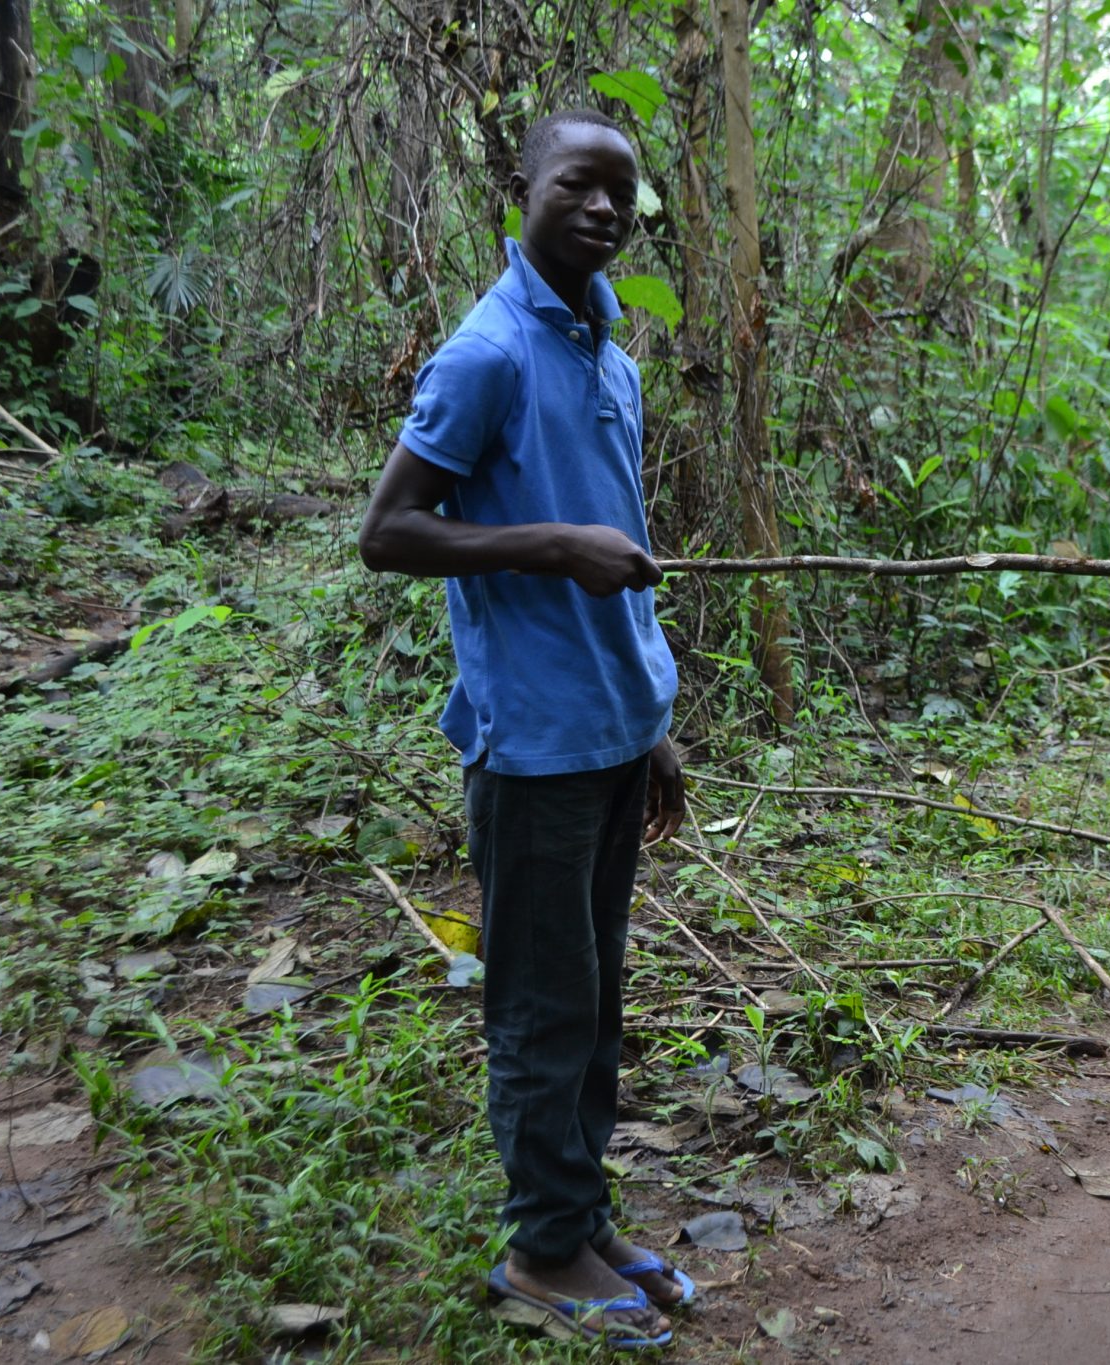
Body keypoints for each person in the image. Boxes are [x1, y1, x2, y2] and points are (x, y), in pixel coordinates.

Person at [358, 108, 694, 1350]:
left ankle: (578, 1217)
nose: (603, 209)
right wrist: (553, 547)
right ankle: (539, 1253)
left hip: (608, 734)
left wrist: (648, 722)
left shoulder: (611, 353)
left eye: (622, 193)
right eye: (576, 186)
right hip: (535, 749)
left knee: (594, 999)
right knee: (542, 1007)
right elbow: (388, 532)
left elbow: (617, 544)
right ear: (523, 190)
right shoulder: (486, 354)